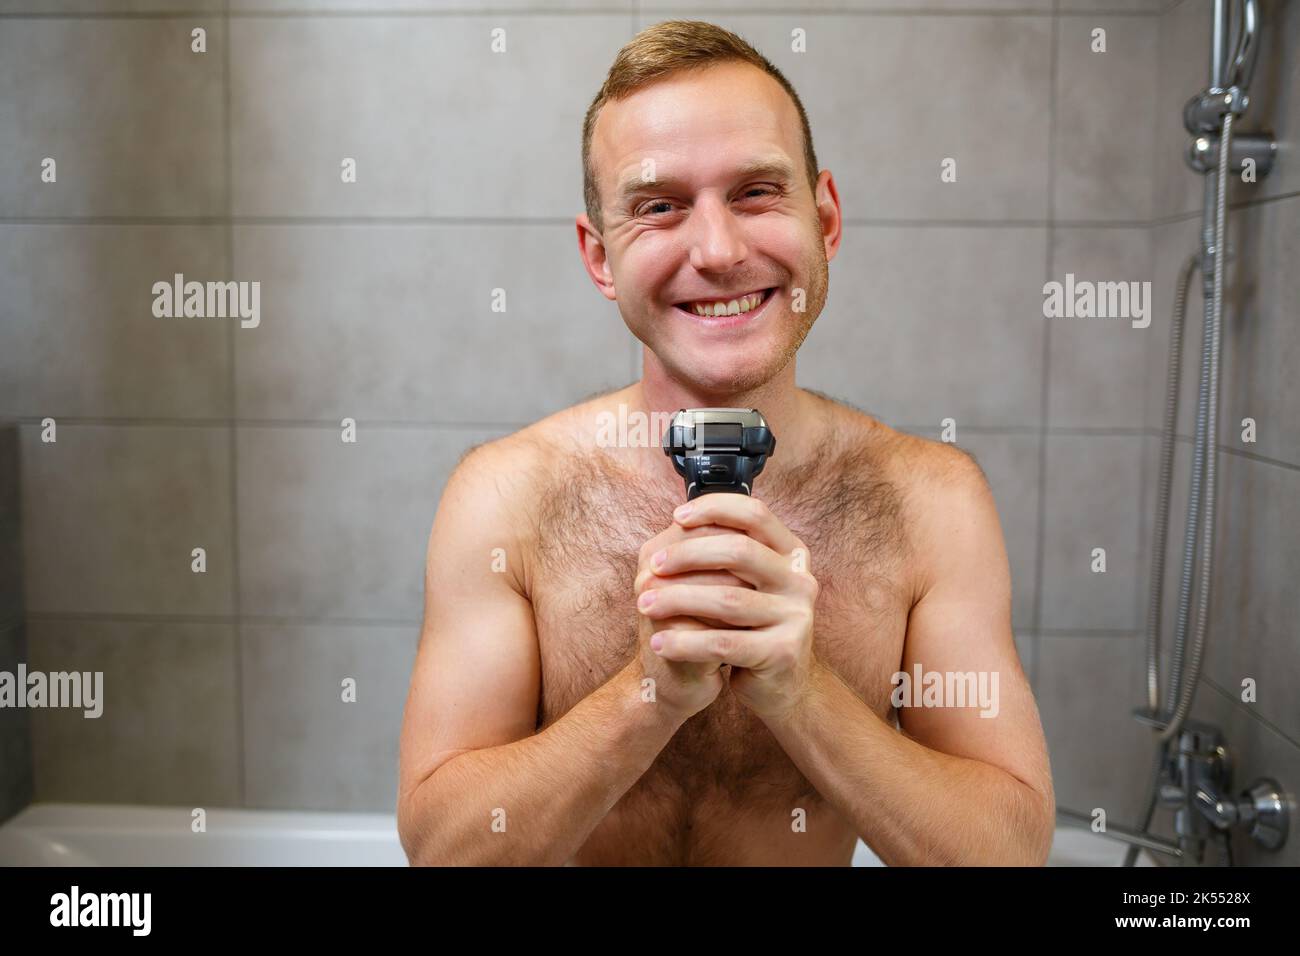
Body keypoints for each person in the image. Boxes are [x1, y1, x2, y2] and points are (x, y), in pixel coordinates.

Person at [397, 19, 1054, 866]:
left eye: (755, 193)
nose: (717, 251)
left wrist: (802, 693)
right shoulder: (503, 498)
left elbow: (1008, 852)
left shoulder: (933, 503)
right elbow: (445, 852)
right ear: (600, 256)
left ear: (825, 219)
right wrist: (648, 696)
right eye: (659, 206)